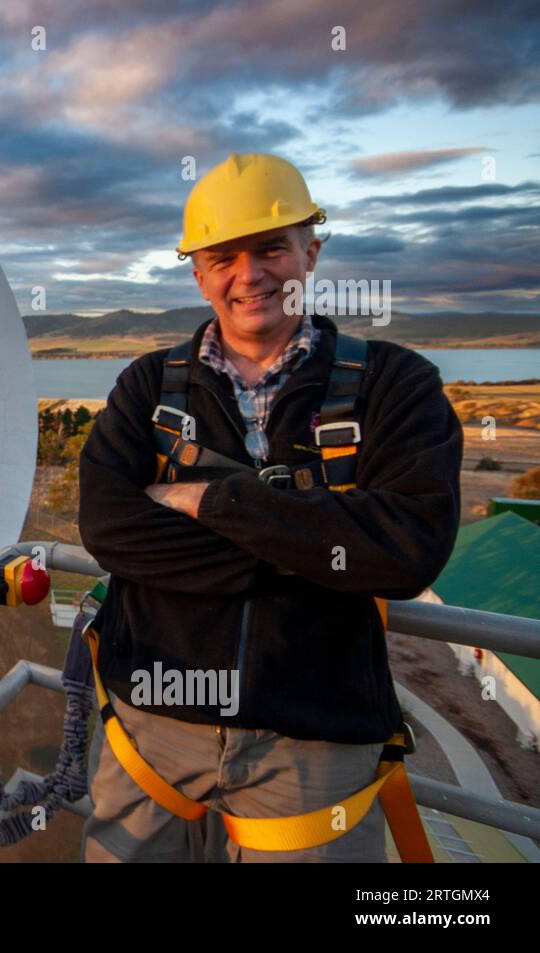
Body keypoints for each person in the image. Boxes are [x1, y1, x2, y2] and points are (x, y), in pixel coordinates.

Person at [76, 153, 463, 862]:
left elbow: (410, 548)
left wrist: (208, 500)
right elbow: (108, 529)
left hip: (315, 738)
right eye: (223, 256)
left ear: (310, 253)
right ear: (197, 272)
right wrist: (316, 548)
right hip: (152, 719)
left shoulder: (394, 385)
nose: (248, 275)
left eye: (270, 249)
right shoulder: (147, 389)